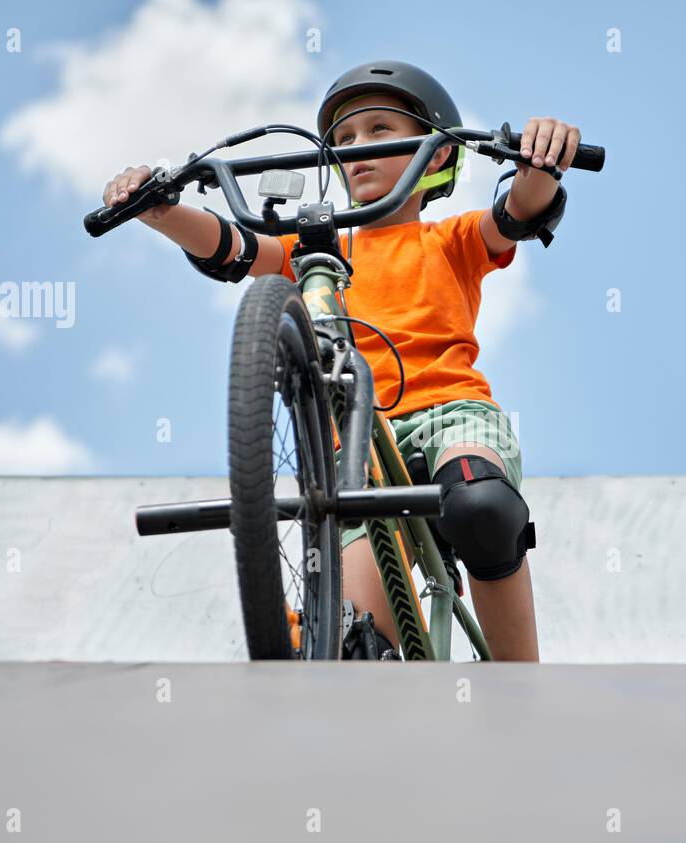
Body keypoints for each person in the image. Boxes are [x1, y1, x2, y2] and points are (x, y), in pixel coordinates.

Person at [102, 60, 579, 662]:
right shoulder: (305, 253)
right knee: (355, 647)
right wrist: (161, 210)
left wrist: (540, 163)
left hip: (448, 413)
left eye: (381, 130)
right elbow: (231, 244)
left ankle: (521, 690)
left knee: (482, 506)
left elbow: (518, 212)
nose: (357, 149)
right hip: (351, 454)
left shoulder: (449, 240)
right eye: (344, 140)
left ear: (434, 157)